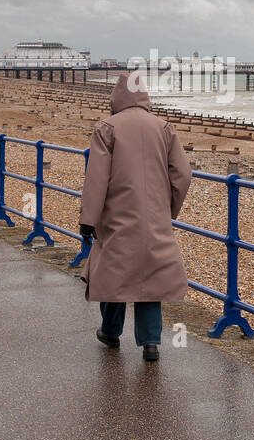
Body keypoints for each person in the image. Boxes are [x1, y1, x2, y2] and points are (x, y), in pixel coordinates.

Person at [79, 71, 192, 361]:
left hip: (117, 216)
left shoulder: (107, 127)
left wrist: (88, 219)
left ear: (117, 96)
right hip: (154, 216)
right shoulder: (164, 127)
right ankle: (151, 342)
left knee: (115, 274)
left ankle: (110, 331)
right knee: (151, 276)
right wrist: (169, 208)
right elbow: (183, 175)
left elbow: (97, 177)